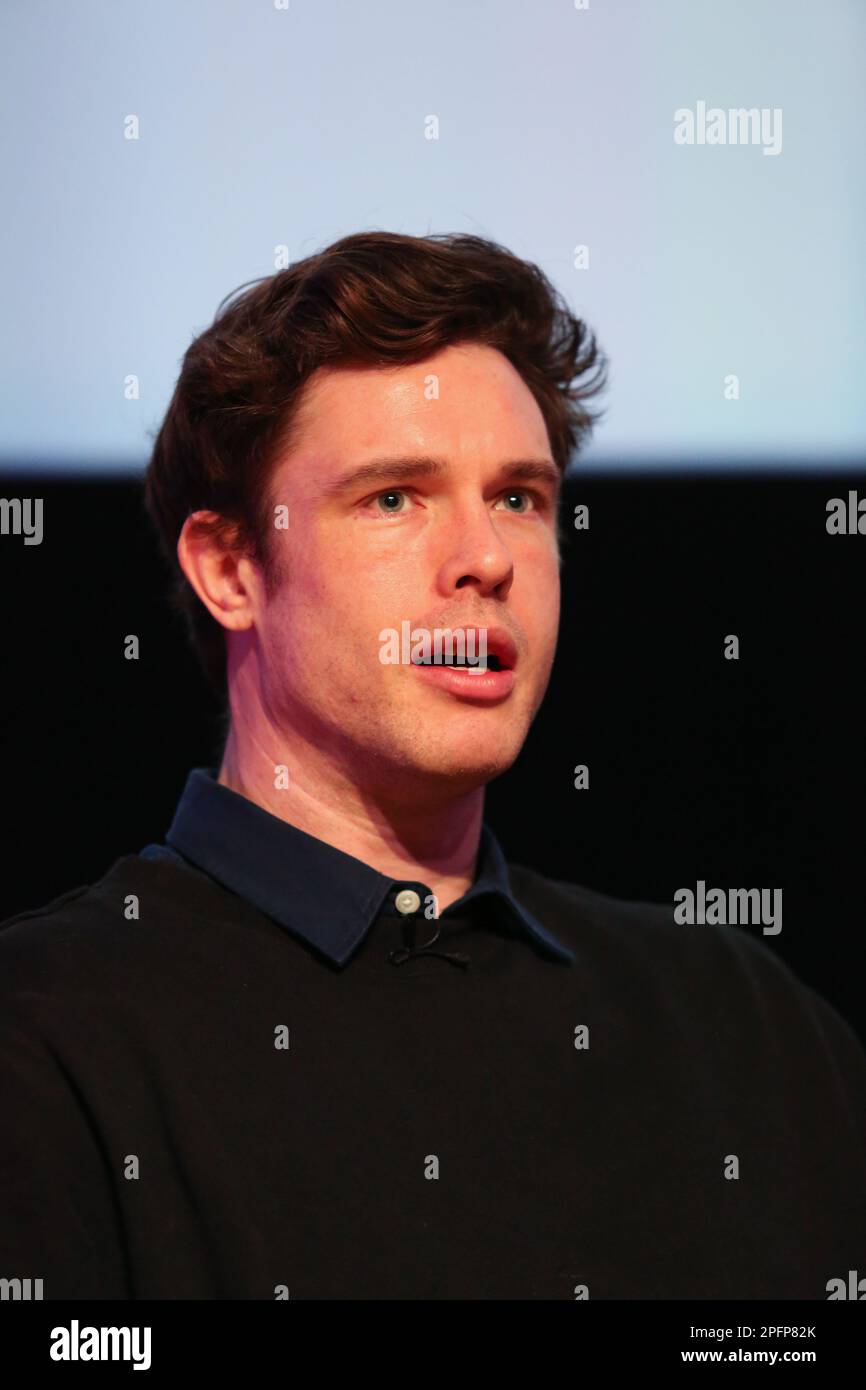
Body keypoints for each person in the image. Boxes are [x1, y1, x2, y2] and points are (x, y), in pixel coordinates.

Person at [1, 231, 864, 1301]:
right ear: (230, 568)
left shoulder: (743, 1026)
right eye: (394, 498)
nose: (486, 557)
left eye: (518, 497)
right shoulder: (47, 1038)